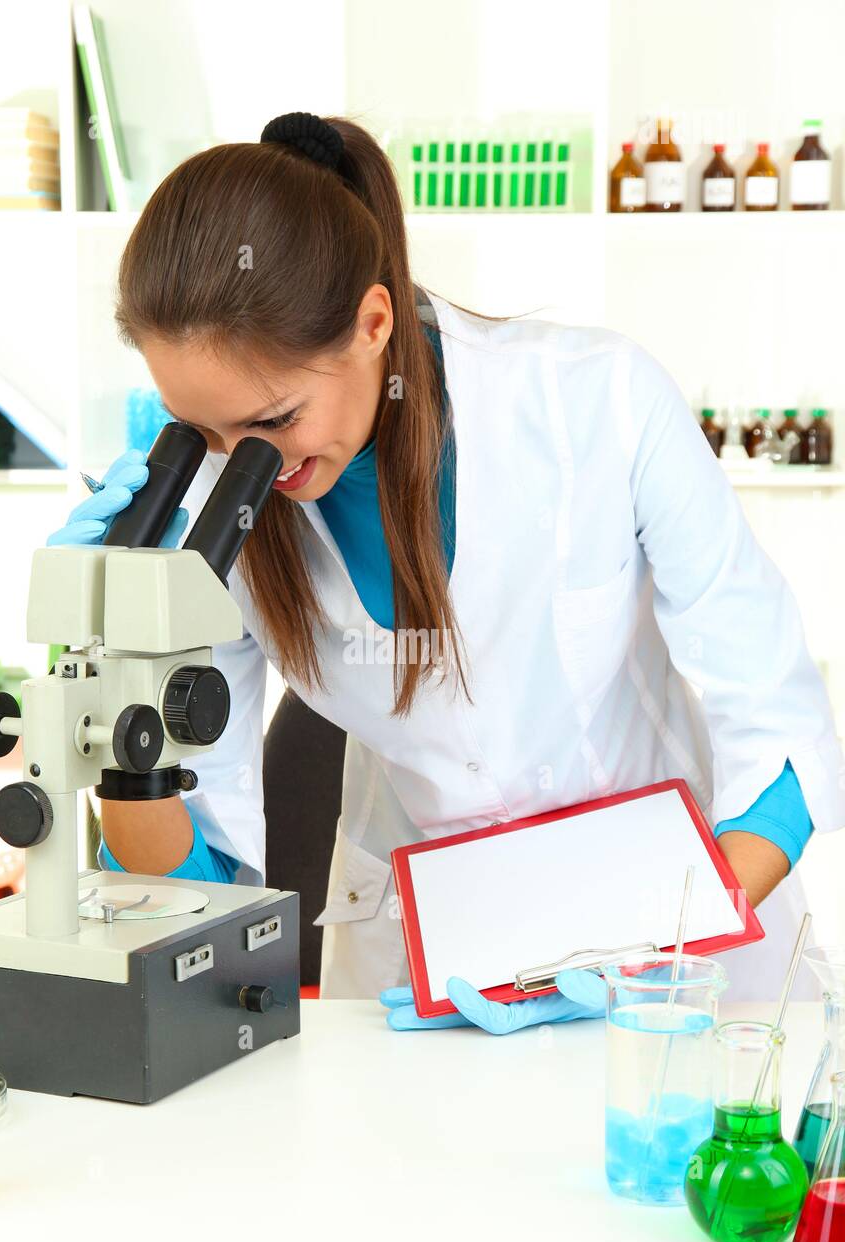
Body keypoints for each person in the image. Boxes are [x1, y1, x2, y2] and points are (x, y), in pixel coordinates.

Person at [50, 112, 845, 1027]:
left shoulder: (596, 402)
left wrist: (644, 945)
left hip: (685, 941)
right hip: (427, 963)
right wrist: (118, 692)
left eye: (273, 419)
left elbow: (779, 734)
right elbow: (204, 881)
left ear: (372, 322)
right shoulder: (213, 523)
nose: (246, 464)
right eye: (208, 430)